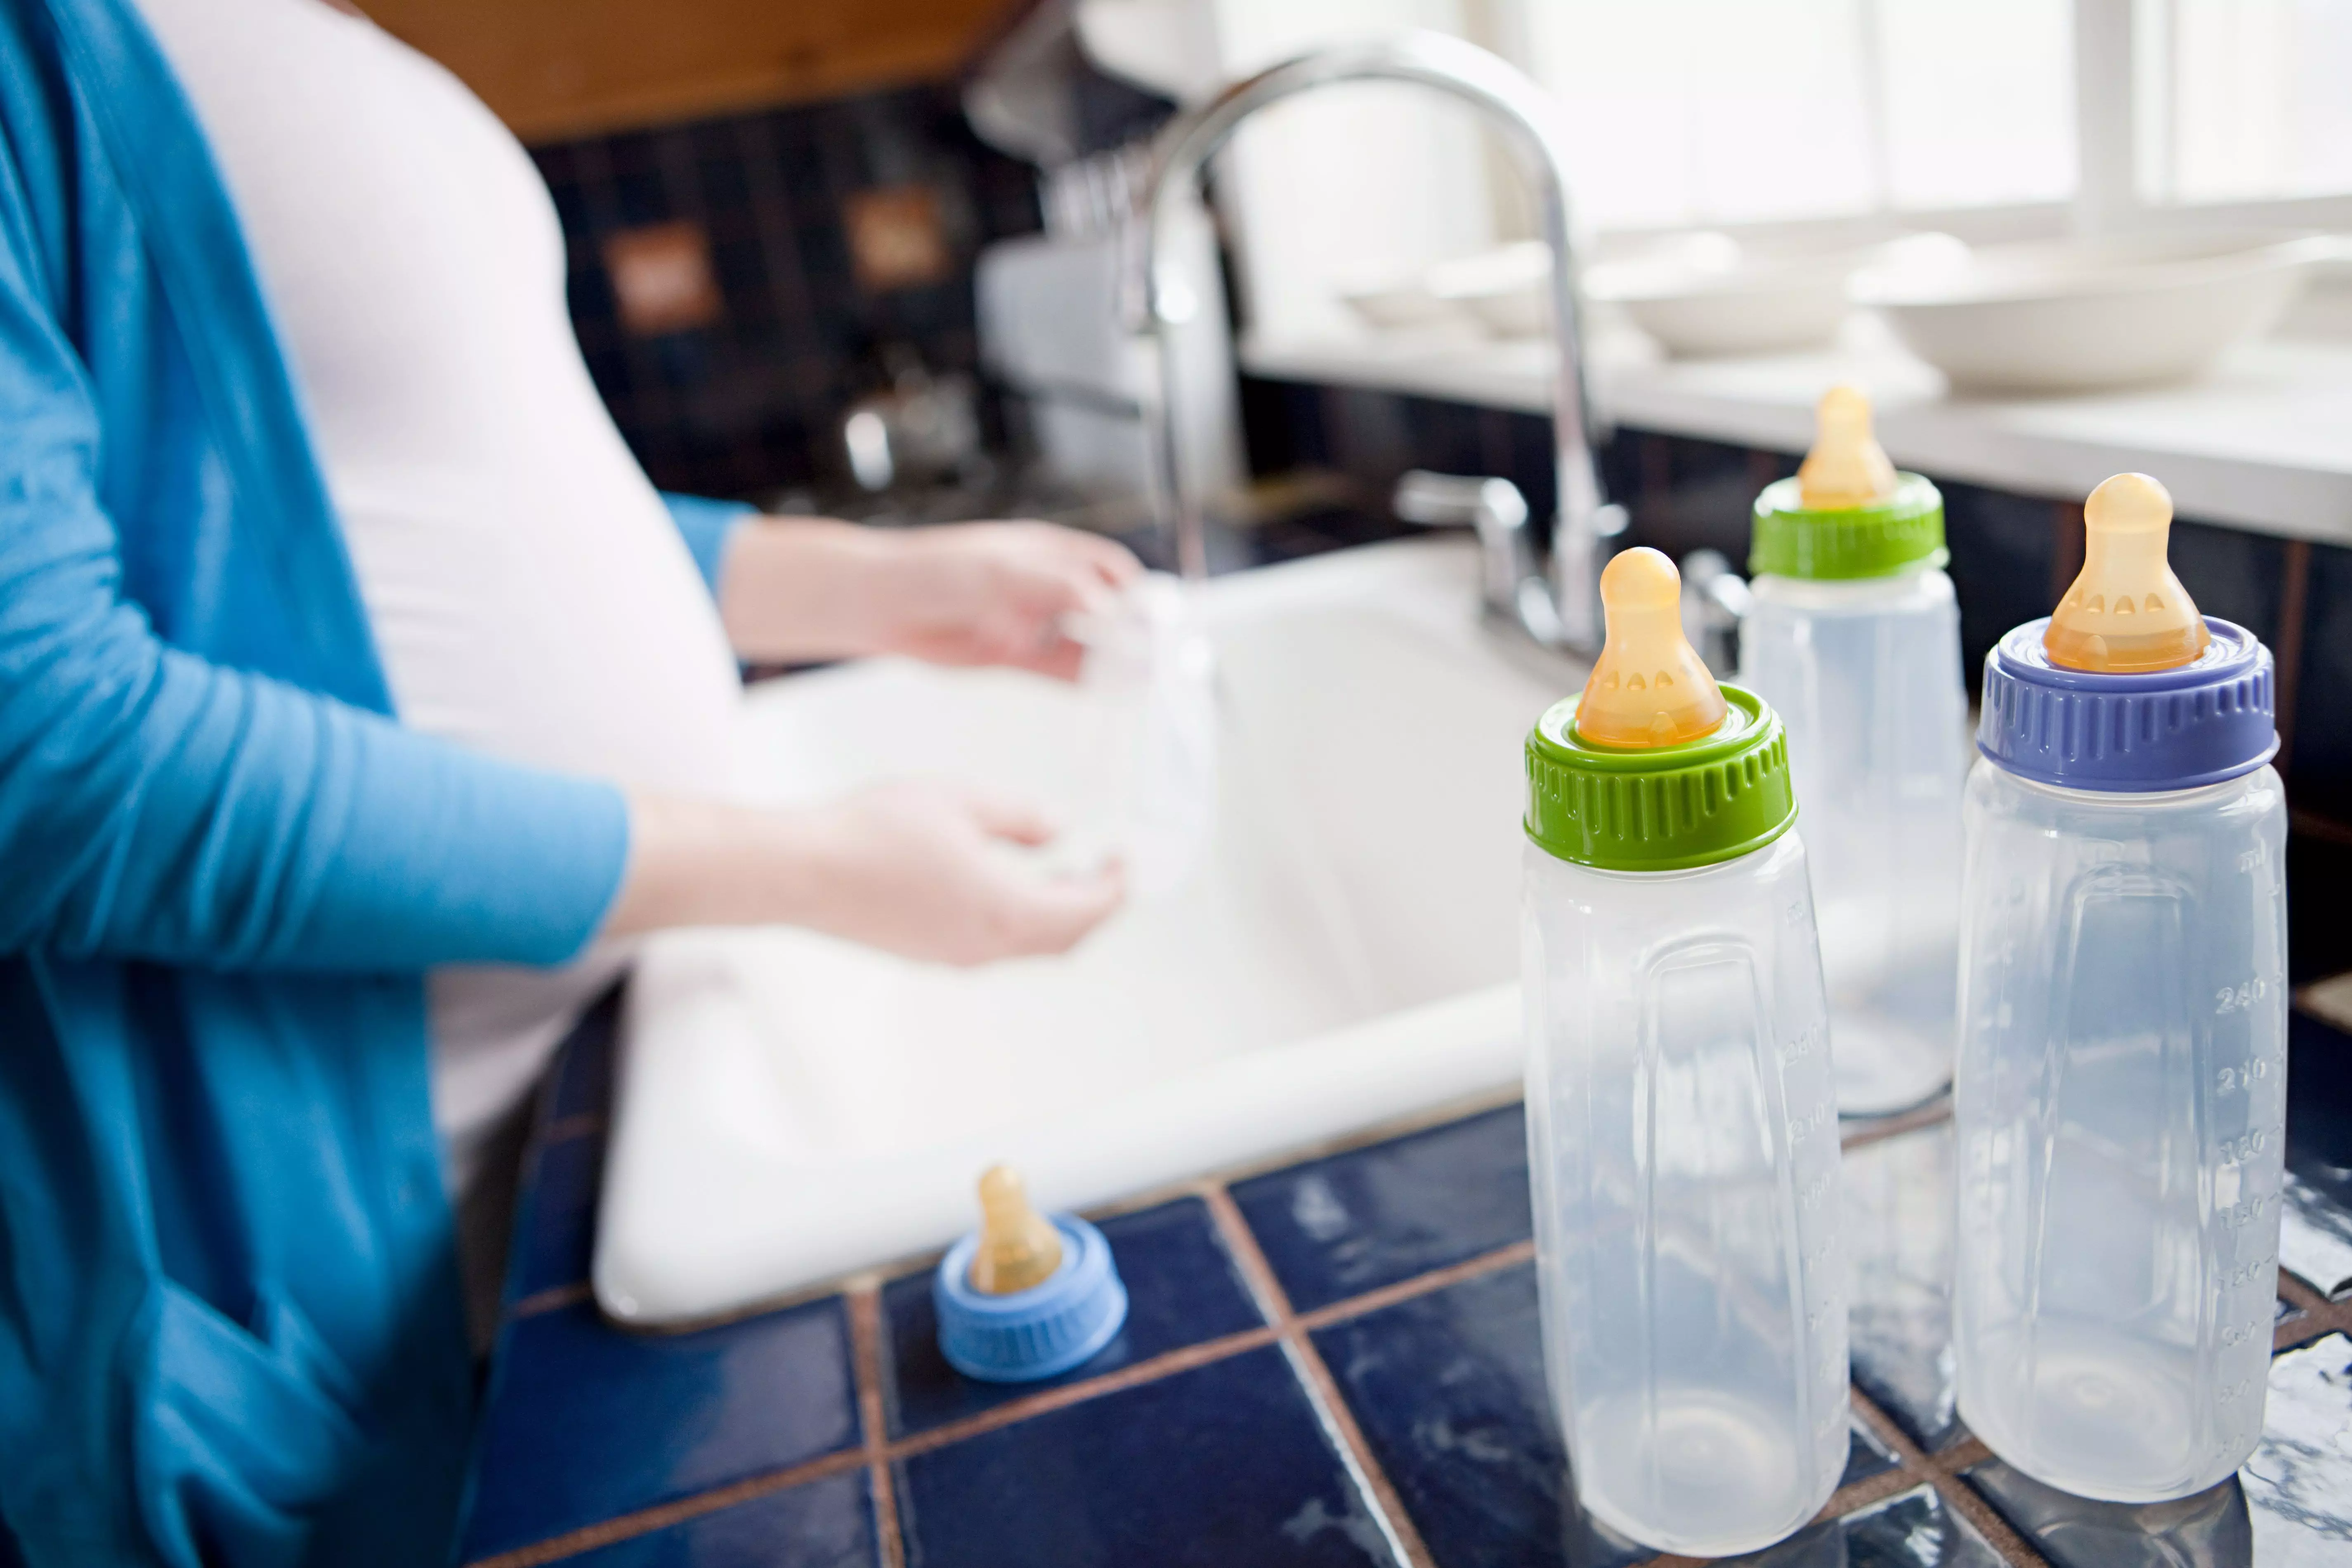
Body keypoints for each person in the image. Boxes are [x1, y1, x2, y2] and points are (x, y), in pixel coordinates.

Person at [0, 0, 1132, 1561]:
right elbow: (43, 754)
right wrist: (806, 867)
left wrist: (867, 588)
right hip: (292, 1312)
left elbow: (435, 505)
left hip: (521, 1189)